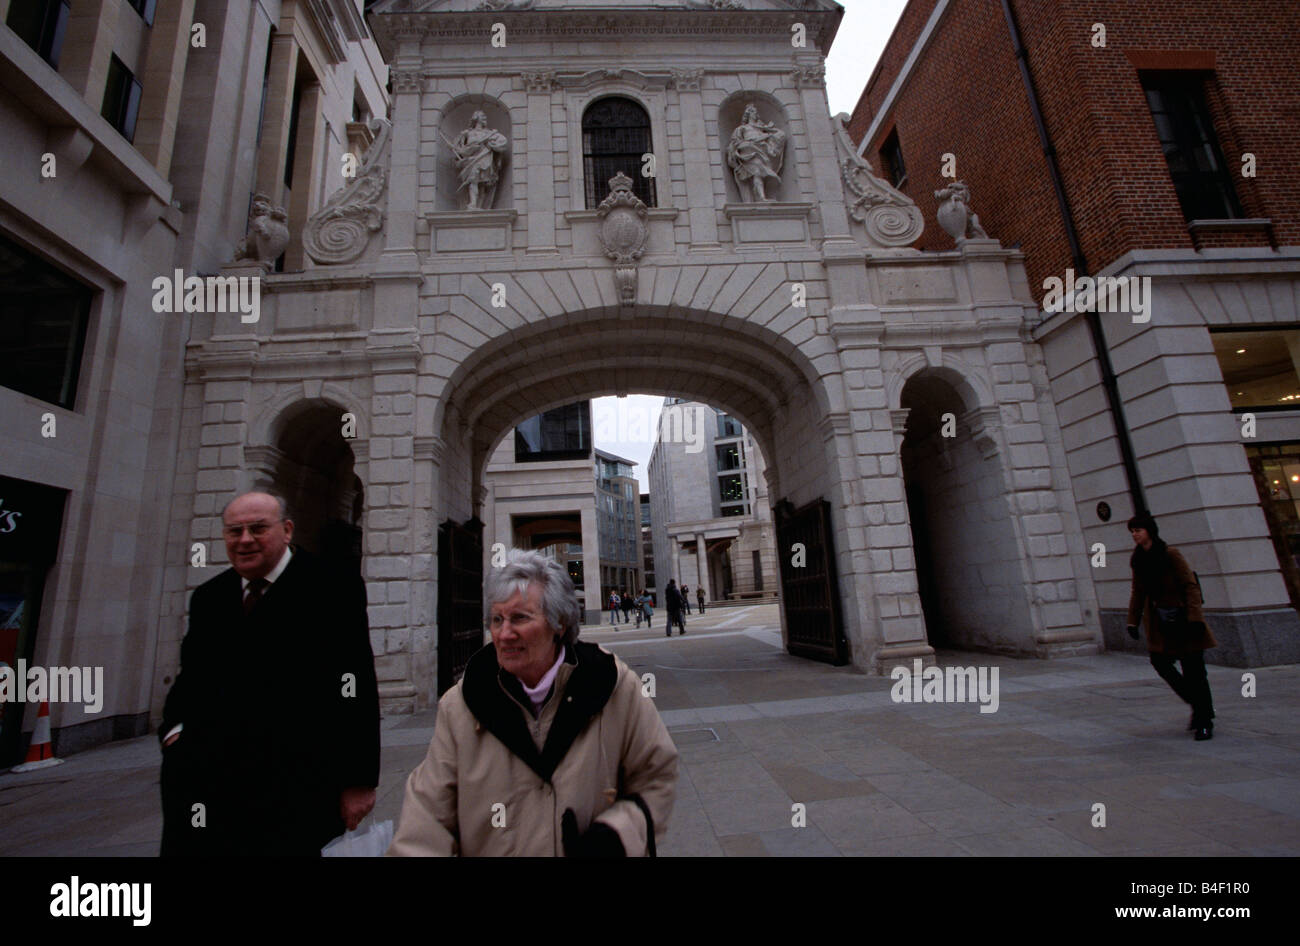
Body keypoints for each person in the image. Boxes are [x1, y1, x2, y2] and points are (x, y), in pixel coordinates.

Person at [388, 549, 678, 856]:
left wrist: (618, 836)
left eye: (519, 618)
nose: (504, 634)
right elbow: (426, 819)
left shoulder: (614, 686)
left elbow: (656, 774)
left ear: (559, 624)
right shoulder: (461, 705)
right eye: (497, 619)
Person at [159, 491, 380, 855]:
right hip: (209, 785)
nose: (245, 540)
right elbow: (191, 679)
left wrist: (359, 780)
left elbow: (354, 685)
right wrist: (173, 732)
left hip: (299, 786)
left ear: (287, 530)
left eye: (258, 528)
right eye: (234, 531)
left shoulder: (332, 587)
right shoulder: (209, 598)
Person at [1125, 513, 1217, 740]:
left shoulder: (1170, 554)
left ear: (1149, 531)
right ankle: (1198, 703)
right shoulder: (1138, 559)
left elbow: (1190, 586)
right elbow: (1138, 591)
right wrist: (1132, 621)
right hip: (1160, 622)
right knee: (1160, 662)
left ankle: (1204, 720)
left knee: (1194, 671)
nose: (1135, 535)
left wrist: (1196, 618)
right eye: (1133, 531)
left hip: (1184, 619)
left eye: (1138, 530)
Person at [726, 103, 787, 202]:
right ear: (748, 115)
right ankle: (761, 198)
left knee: (761, 173)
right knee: (757, 173)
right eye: (753, 112)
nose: (756, 114)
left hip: (762, 152)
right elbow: (735, 142)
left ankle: (760, 197)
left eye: (755, 112)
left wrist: (768, 129)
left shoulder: (762, 129)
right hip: (749, 153)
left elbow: (780, 134)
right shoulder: (742, 128)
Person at [450, 110, 508, 210]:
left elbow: (502, 144)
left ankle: (480, 206)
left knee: (483, 184)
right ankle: (473, 203)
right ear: (476, 118)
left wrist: (492, 143)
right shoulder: (468, 133)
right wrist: (460, 140)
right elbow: (459, 148)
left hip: (485, 158)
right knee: (473, 179)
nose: (485, 118)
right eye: (482, 116)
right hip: (472, 160)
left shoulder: (490, 133)